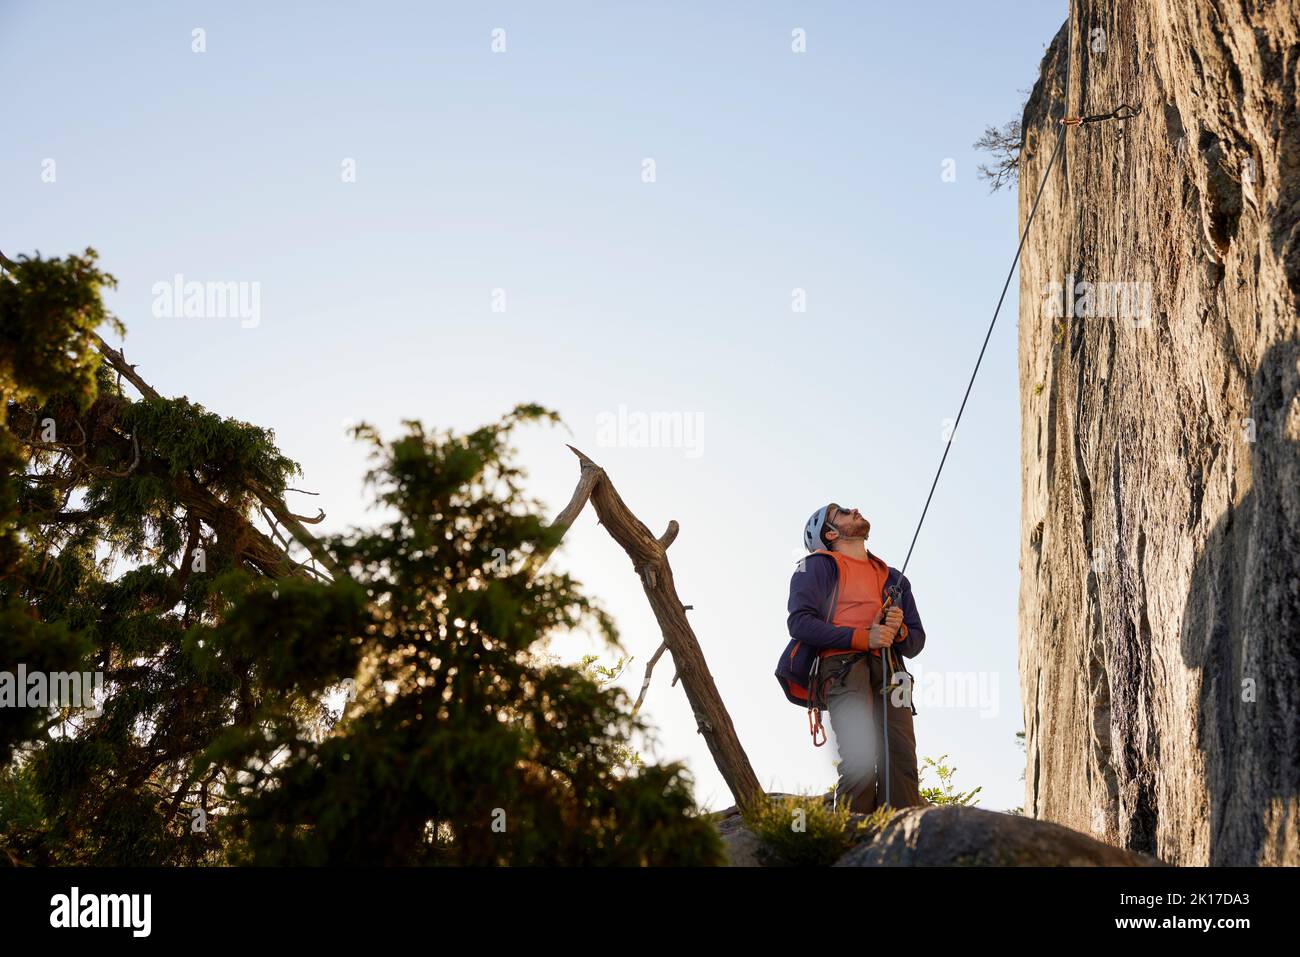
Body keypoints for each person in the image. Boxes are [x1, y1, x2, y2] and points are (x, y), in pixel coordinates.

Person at [776, 503, 927, 812]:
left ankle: (899, 846)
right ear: (830, 533)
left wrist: (897, 632)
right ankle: (851, 846)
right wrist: (862, 637)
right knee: (859, 759)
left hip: (891, 670)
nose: (854, 509)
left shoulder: (894, 578)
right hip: (842, 668)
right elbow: (800, 622)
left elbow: (915, 642)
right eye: (842, 512)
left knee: (901, 761)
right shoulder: (815, 566)